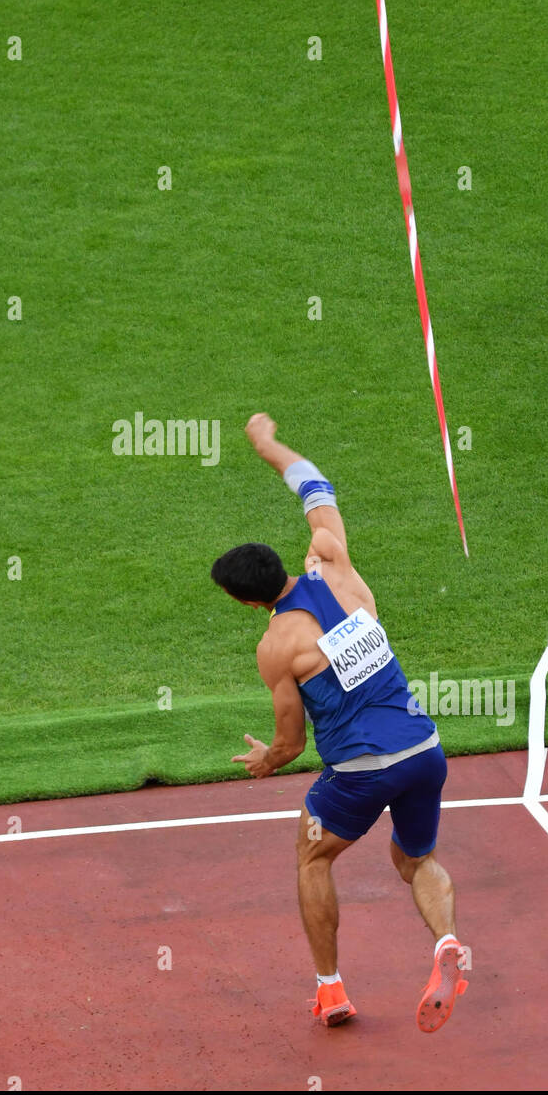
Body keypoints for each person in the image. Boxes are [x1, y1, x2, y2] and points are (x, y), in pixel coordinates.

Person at [210, 413, 468, 1032]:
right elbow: (315, 486)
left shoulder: (276, 646)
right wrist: (268, 446)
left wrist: (266, 759)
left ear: (247, 601)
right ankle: (446, 943)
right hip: (425, 749)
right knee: (413, 859)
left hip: (360, 770)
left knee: (312, 858)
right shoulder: (334, 562)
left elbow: (293, 741)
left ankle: (331, 991)